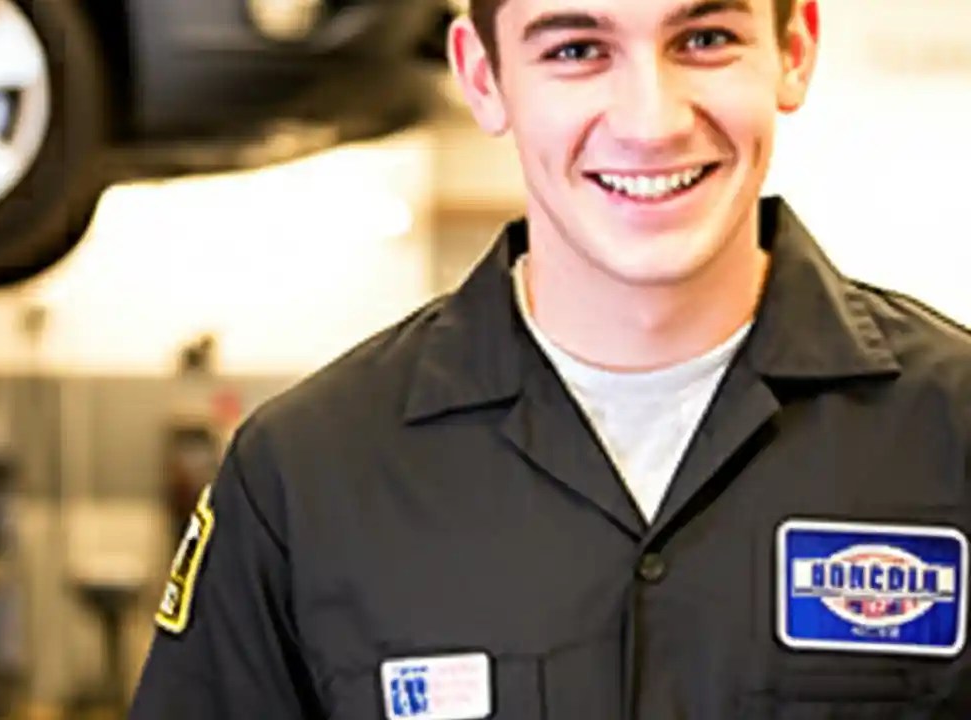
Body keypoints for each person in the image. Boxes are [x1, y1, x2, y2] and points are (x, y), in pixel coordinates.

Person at [128, 0, 971, 717]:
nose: (652, 122)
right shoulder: (304, 479)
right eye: (577, 50)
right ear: (485, 77)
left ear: (793, 50)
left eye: (704, 39)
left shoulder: (955, 433)